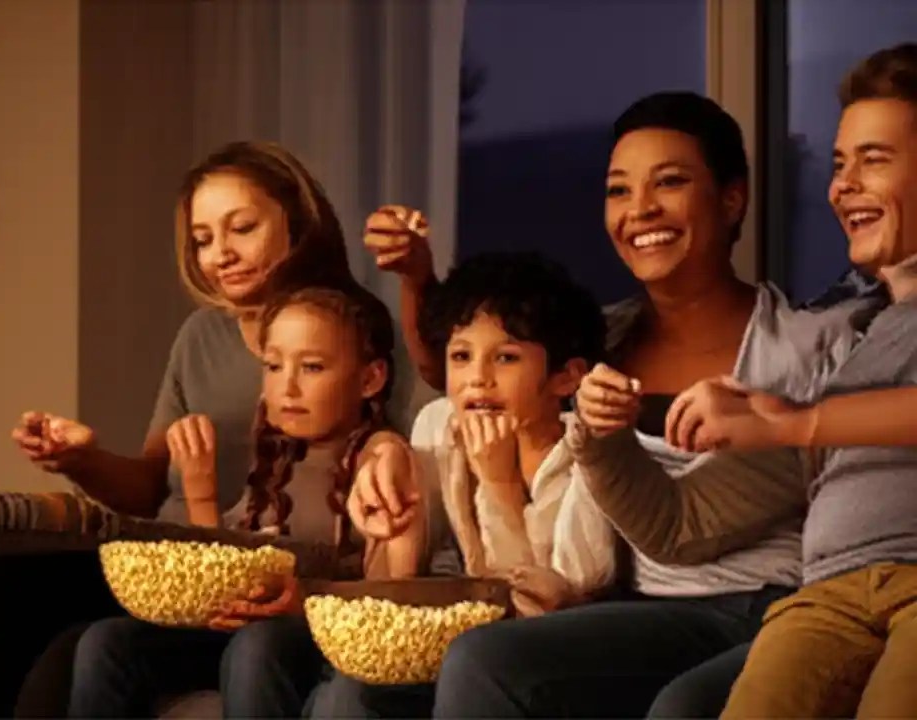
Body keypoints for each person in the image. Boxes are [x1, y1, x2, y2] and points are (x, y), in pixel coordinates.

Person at [364, 92, 803, 718]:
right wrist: (415, 281)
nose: (639, 209)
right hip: (619, 605)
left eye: (670, 182)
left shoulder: (796, 346)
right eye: (618, 191)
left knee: (491, 659)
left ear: (733, 198)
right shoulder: (601, 338)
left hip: (748, 598)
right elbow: (475, 376)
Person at [572, 42, 917, 718]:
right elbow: (680, 524)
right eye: (839, 163)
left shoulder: (821, 352)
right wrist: (602, 438)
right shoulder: (862, 342)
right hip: (830, 598)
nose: (840, 185)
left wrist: (796, 420)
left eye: (872, 160)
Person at [12, 141, 368, 718]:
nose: (220, 254)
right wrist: (79, 459)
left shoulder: (351, 333)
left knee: (103, 645)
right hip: (173, 582)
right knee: (50, 634)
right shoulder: (201, 336)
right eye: (203, 240)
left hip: (267, 593)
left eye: (242, 228)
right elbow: (150, 487)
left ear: (298, 223)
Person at [68, 285, 431, 718]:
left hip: (311, 637)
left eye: (311, 367)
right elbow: (226, 568)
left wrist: (304, 601)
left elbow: (387, 596)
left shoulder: (377, 456)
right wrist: (199, 487)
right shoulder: (273, 462)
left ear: (370, 379)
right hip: (242, 629)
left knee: (258, 644)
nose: (288, 387)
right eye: (273, 366)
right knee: (106, 643)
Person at [309, 251, 618, 718]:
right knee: (345, 690)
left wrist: (499, 486)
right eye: (461, 356)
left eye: (506, 357)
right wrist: (393, 503)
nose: (477, 377)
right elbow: (394, 584)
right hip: (450, 644)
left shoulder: (590, 461)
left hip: (542, 662)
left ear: (565, 376)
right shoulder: (440, 426)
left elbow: (546, 610)